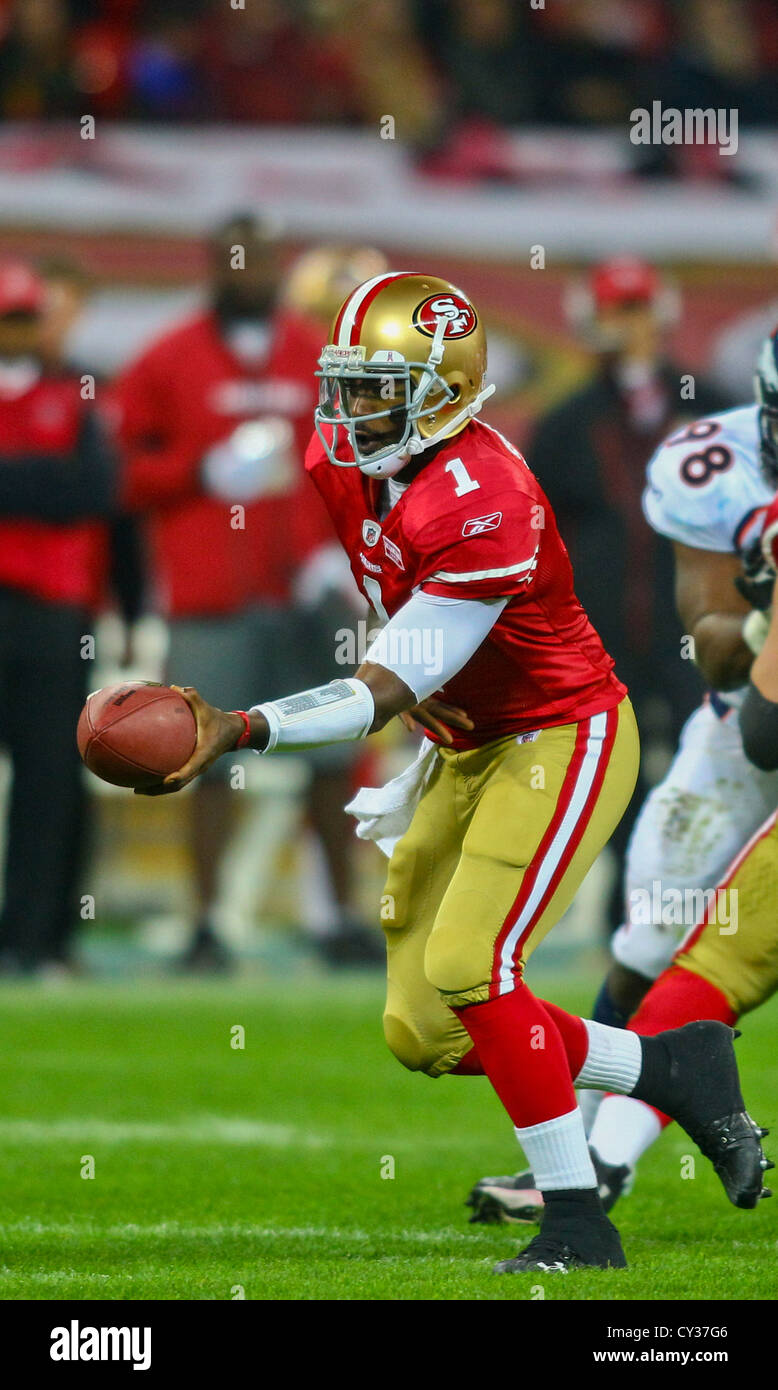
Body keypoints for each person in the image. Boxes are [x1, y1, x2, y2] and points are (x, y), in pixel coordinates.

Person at [133, 270, 769, 1272]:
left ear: (442, 391)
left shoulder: (486, 501)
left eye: (375, 388)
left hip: (559, 734)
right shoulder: (341, 456)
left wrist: (238, 728)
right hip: (464, 739)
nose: (346, 409)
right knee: (424, 1027)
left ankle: (575, 1217)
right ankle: (669, 1064)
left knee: (476, 968)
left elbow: (385, 683)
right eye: (342, 383)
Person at [467, 329, 778, 1225]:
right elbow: (711, 643)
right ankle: (584, 1158)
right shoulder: (713, 464)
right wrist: (764, 622)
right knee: (658, 936)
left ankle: (598, 1165)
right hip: (746, 723)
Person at [116, 212, 380, 970]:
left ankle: (338, 919)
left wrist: (344, 557)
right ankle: (207, 924)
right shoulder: (168, 360)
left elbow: (369, 461)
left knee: (333, 757)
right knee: (203, 756)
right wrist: (198, 473)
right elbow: (125, 472)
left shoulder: (318, 357)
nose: (249, 274)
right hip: (211, 598)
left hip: (310, 590)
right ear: (213, 266)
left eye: (261, 261)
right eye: (237, 261)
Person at [528, 257, 733, 932]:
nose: (627, 327)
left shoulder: (712, 405)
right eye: (616, 311)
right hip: (604, 625)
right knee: (614, 767)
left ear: (660, 313)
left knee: (709, 757)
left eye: (636, 310)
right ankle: (626, 901)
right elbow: (539, 530)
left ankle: (705, 900)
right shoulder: (566, 422)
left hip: (702, 621)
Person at [0, 259, 118, 975]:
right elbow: (65, 486)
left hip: (52, 612)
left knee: (52, 776)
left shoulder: (76, 394)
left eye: (23, 317)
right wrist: (39, 480)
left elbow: (96, 489)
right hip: (35, 598)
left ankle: (37, 936)